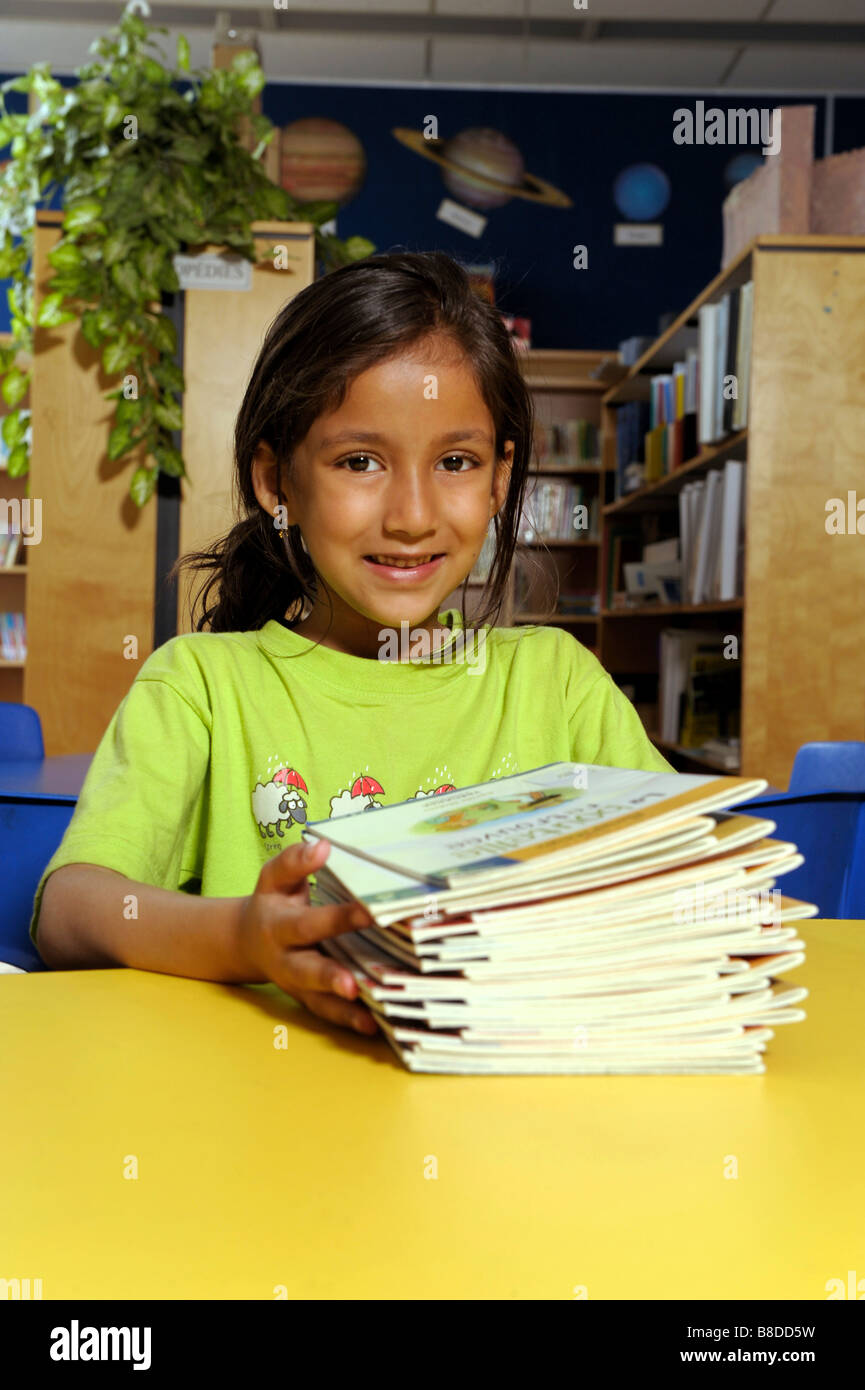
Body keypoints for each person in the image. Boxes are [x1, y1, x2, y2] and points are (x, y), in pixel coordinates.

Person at [32, 249, 673, 1037]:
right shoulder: (201, 686)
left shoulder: (559, 685)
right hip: (258, 1124)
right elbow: (68, 911)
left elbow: (687, 874)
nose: (410, 514)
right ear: (277, 484)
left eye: (455, 461)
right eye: (359, 461)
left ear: (500, 480)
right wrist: (244, 937)